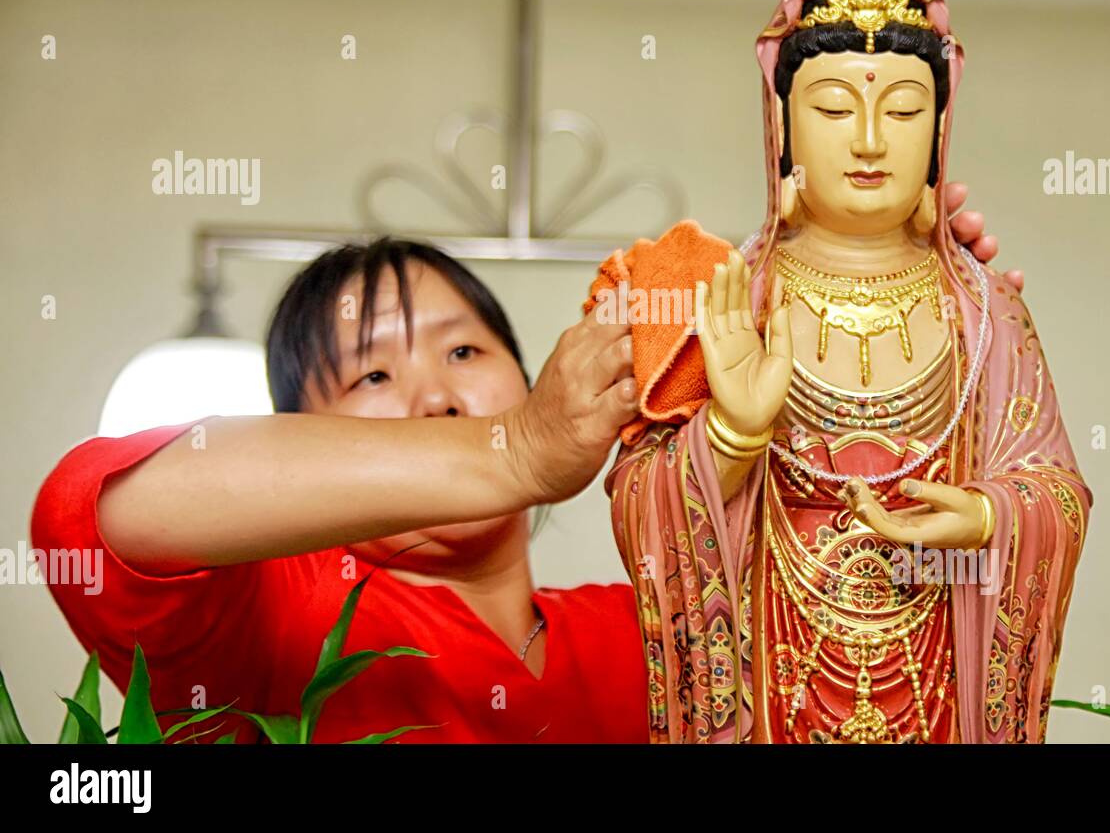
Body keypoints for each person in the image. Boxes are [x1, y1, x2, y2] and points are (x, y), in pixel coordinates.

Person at [33, 222, 1008, 743]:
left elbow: (883, 644)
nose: (436, 393)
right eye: (372, 372)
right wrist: (514, 451)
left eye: (464, 348)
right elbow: (98, 512)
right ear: (301, 432)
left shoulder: (654, 632)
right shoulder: (274, 620)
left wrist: (905, 303)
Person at [591, 0, 1089, 744]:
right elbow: (641, 500)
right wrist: (731, 434)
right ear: (783, 126)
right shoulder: (728, 297)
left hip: (940, 676)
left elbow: (1059, 494)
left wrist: (988, 518)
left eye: (901, 110)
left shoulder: (987, 312)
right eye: (832, 107)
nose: (867, 141)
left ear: (938, 133)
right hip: (769, 688)